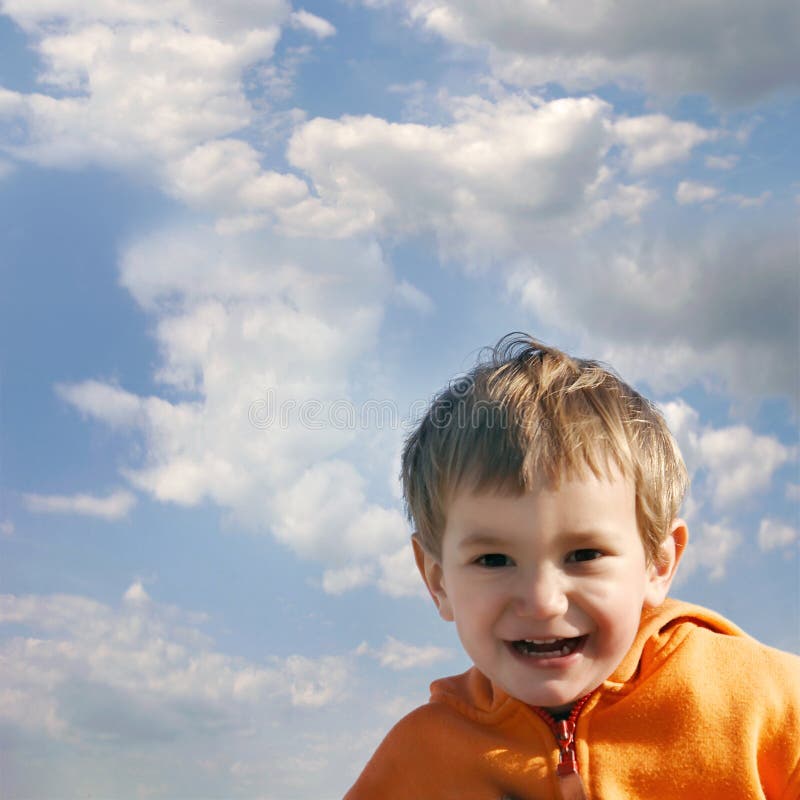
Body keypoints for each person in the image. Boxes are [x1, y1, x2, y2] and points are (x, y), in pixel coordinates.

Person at [343, 333, 800, 800]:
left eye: (584, 555)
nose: (542, 601)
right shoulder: (419, 764)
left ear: (658, 564)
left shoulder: (766, 709)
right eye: (494, 560)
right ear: (437, 580)